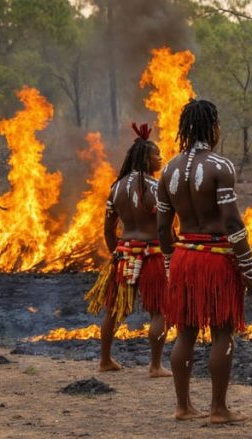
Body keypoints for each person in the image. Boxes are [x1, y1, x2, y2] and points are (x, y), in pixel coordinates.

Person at [157, 99, 252, 423]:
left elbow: (163, 228)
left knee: (185, 332)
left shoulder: (167, 170)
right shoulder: (220, 166)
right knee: (221, 332)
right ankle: (218, 409)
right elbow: (232, 223)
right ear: (213, 126)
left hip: (184, 258)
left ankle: (183, 406)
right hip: (216, 260)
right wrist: (250, 270)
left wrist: (169, 266)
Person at [85, 123, 170, 378]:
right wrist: (172, 251)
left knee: (114, 308)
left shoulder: (116, 188)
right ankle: (155, 366)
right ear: (146, 158)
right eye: (157, 155)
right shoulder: (156, 188)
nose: (161, 158)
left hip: (125, 254)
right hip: (153, 255)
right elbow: (166, 226)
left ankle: (105, 360)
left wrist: (116, 252)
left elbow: (108, 229)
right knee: (159, 310)